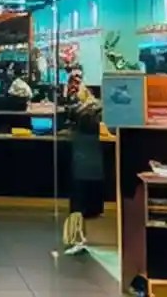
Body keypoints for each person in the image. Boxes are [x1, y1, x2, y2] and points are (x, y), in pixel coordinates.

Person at [65, 99, 105, 255]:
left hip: (80, 172)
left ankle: (78, 238)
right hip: (96, 173)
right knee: (92, 210)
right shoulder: (99, 136)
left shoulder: (76, 137)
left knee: (78, 207)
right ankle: (85, 239)